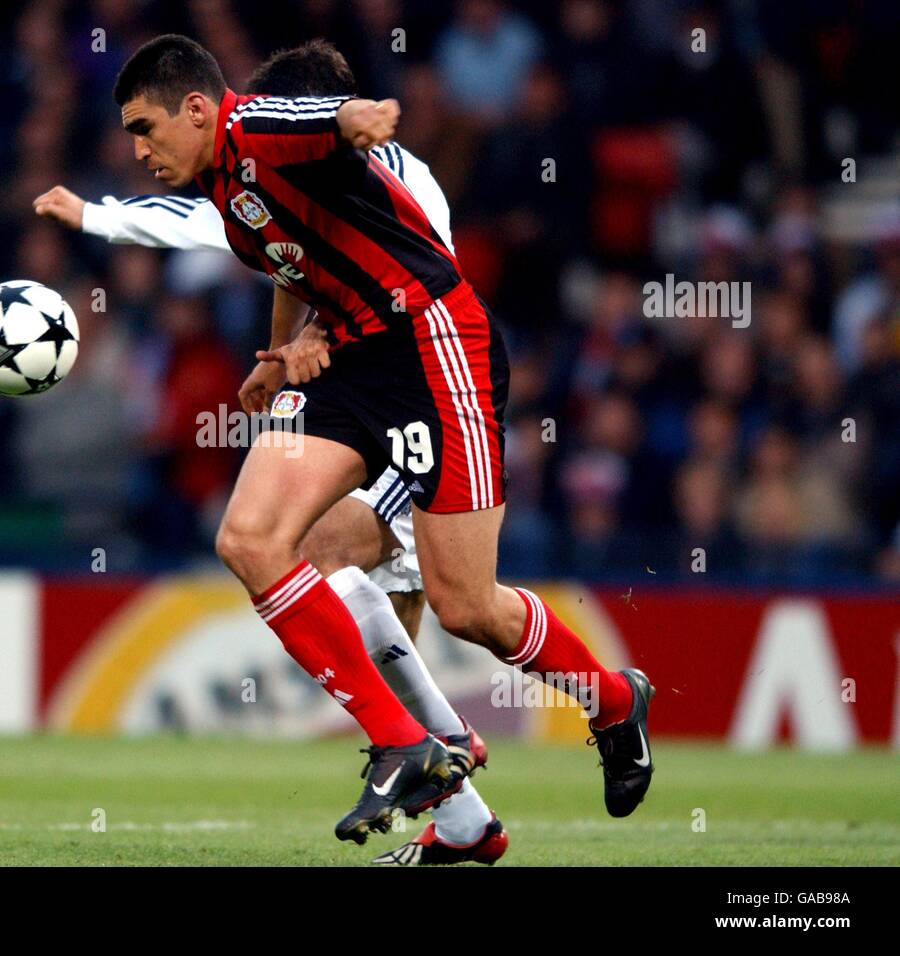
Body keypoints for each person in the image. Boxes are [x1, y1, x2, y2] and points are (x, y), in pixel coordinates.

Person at [111, 34, 655, 843]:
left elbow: (324, 119)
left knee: (466, 606)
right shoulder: (225, 191)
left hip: (438, 351)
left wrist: (361, 117)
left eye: (145, 128)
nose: (140, 149)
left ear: (197, 109)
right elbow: (294, 270)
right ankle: (405, 745)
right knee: (253, 538)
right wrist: (274, 357)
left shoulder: (254, 129)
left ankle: (612, 701)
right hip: (356, 361)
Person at [38, 40, 505, 866]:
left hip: (420, 396)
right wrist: (100, 216)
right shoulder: (264, 182)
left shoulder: (392, 172)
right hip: (370, 407)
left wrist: (321, 334)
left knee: (357, 570)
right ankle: (457, 800)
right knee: (339, 577)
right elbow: (231, 234)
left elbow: (411, 281)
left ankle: (456, 754)